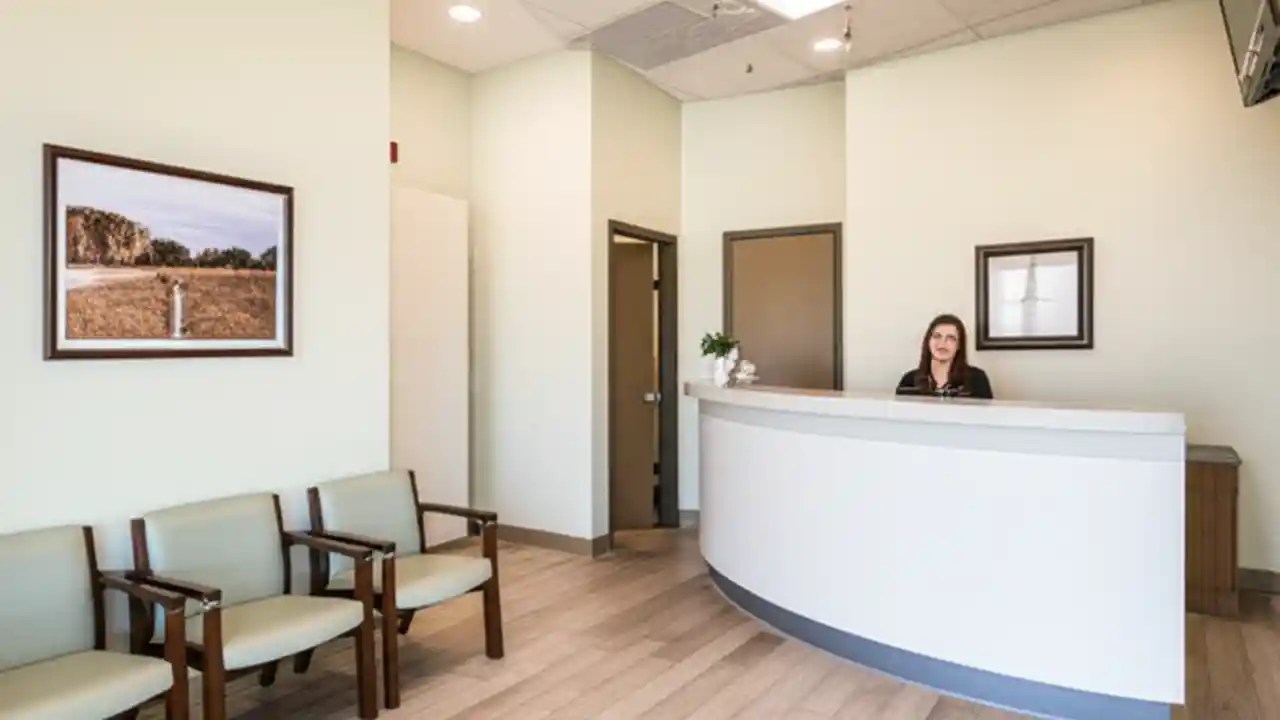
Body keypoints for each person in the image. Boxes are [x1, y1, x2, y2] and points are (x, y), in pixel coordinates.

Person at [895, 313, 994, 399]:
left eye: (951, 338)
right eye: (937, 336)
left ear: (959, 345)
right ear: (928, 342)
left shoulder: (977, 379)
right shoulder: (909, 380)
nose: (942, 343)